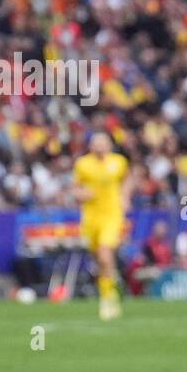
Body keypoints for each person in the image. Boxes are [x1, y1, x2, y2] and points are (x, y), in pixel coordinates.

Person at [72, 132, 131, 320]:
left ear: (109, 145)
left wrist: (125, 196)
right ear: (91, 146)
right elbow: (75, 189)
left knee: (105, 253)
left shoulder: (119, 162)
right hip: (91, 217)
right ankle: (113, 284)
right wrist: (82, 194)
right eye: (96, 143)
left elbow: (127, 180)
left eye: (103, 142)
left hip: (112, 214)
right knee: (100, 260)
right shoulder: (83, 164)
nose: (100, 146)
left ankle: (108, 299)